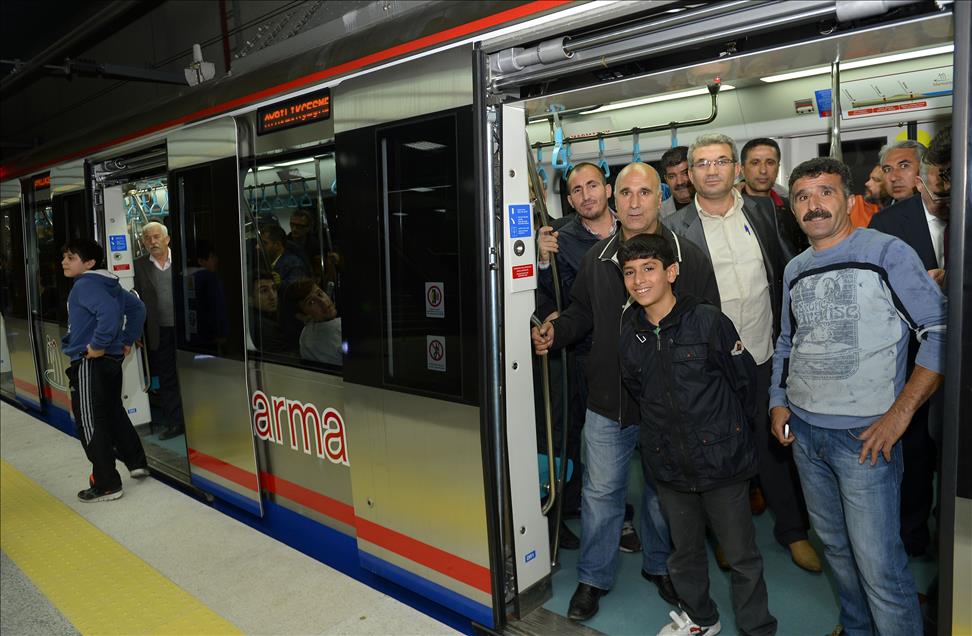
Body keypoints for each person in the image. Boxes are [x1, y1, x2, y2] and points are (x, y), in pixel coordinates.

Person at [532, 162, 719, 621]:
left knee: (660, 494)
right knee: (600, 493)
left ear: (661, 197)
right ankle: (593, 578)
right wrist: (556, 332)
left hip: (668, 402)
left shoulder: (689, 257)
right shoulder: (598, 260)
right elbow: (580, 313)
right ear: (615, 200)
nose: (634, 203)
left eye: (645, 193)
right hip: (609, 398)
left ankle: (659, 567)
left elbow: (709, 322)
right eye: (626, 194)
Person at [770, 157, 946, 636]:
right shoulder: (795, 269)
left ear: (850, 201)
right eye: (803, 197)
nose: (814, 205)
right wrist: (777, 401)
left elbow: (939, 330)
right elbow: (787, 341)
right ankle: (856, 628)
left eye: (825, 193)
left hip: (864, 439)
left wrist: (900, 414)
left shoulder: (886, 252)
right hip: (805, 436)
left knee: (878, 563)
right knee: (835, 548)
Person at [668, 133, 820, 573]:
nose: (712, 170)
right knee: (718, 451)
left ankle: (793, 531)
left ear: (736, 169)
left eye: (720, 161)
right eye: (702, 163)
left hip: (763, 352)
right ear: (690, 174)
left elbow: (787, 269)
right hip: (710, 363)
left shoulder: (764, 213)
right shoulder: (674, 228)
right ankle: (726, 536)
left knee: (773, 446)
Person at [618, 233, 776, 636]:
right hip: (669, 465)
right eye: (630, 272)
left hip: (721, 462)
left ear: (671, 272)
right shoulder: (630, 333)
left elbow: (743, 383)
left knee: (741, 556)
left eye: (649, 269)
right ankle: (702, 619)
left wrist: (727, 434)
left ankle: (757, 628)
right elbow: (638, 390)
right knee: (684, 553)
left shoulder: (707, 320)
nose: (639, 280)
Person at [869, 127, 951, 557]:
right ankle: (914, 535)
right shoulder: (886, 224)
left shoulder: (962, 209)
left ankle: (951, 528)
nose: (896, 175)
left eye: (905, 165)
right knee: (916, 449)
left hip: (961, 353)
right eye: (888, 169)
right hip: (915, 355)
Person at [537, 161, 618, 550]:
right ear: (569, 200)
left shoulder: (633, 228)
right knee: (566, 435)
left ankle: (613, 510)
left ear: (608, 189)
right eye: (577, 190)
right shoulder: (558, 238)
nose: (586, 195)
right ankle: (560, 508)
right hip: (578, 352)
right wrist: (540, 261)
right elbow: (546, 294)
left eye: (593, 185)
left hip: (628, 352)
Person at [61, 238, 149, 502]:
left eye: (71, 257)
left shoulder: (84, 285)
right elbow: (138, 308)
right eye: (64, 257)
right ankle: (136, 462)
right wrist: (126, 339)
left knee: (89, 422)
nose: (64, 262)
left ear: (89, 263)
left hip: (90, 362)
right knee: (112, 412)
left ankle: (106, 483)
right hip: (111, 363)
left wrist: (97, 345)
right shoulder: (109, 284)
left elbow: (108, 314)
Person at [133, 221, 185, 441]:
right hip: (159, 331)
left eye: (156, 237)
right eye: (147, 238)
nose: (152, 242)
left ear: (167, 239)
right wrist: (136, 332)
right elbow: (134, 303)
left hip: (186, 330)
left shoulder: (182, 260)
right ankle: (175, 422)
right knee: (167, 377)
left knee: (191, 374)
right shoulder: (138, 266)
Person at [738, 137, 808, 256]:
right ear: (742, 169)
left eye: (770, 163)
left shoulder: (791, 208)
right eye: (755, 163)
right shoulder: (732, 208)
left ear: (777, 168)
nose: (763, 170)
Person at [285, 278, 343, 366]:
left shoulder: (304, 336)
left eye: (320, 294)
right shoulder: (338, 330)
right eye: (311, 302)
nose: (323, 302)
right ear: (301, 316)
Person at [249, 271, 291, 354]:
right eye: (264, 291)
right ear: (249, 299)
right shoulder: (265, 329)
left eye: (274, 288)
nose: (272, 296)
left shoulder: (255, 320)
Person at [259, 223, 310, 291]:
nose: (257, 247)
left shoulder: (294, 265)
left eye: (264, 243)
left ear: (277, 245)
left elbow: (296, 291)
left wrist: (280, 284)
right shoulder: (263, 261)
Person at [879, 139, 927, 203]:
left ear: (925, 169)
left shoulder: (938, 207)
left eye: (904, 166)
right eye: (887, 169)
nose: (893, 178)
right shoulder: (880, 208)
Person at [658, 146, 695, 219]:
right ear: (666, 180)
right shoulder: (658, 214)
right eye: (672, 176)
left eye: (685, 173)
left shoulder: (713, 204)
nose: (679, 182)